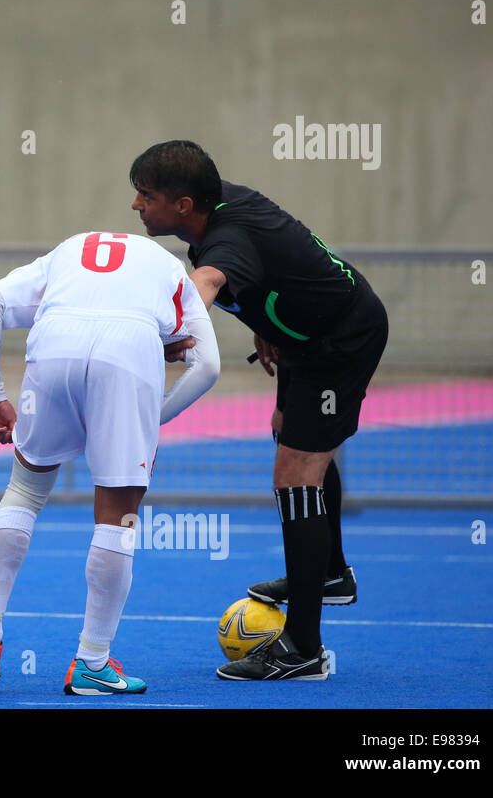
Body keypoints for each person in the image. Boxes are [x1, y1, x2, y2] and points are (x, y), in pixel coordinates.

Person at [129, 139, 388, 680]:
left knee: (296, 471)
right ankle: (329, 573)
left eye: (145, 195)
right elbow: (275, 263)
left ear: (183, 205)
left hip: (339, 342)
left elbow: (209, 281)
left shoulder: (226, 239)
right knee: (289, 438)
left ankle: (304, 649)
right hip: (301, 339)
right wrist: (262, 324)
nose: (136, 206)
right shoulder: (218, 210)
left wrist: (154, 338)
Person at [0, 226, 220, 695]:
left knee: (23, 489)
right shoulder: (171, 268)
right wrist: (148, 419)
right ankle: (92, 663)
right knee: (117, 518)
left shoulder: (68, 250)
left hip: (53, 349)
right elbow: (206, 366)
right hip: (128, 358)